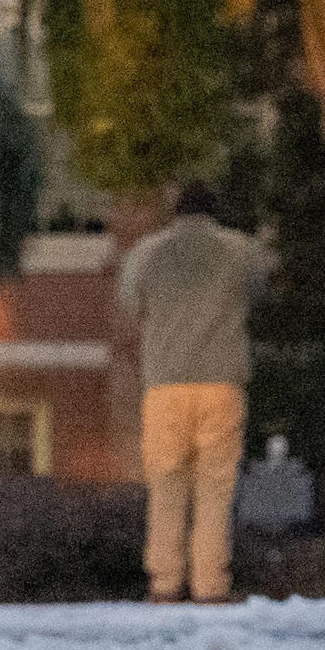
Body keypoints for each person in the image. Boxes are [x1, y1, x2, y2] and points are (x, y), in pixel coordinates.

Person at [116, 184, 272, 605]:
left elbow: (129, 301)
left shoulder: (149, 252)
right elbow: (261, 289)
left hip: (165, 381)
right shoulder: (239, 250)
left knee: (166, 484)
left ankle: (165, 581)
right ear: (214, 211)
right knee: (215, 488)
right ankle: (210, 584)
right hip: (222, 379)